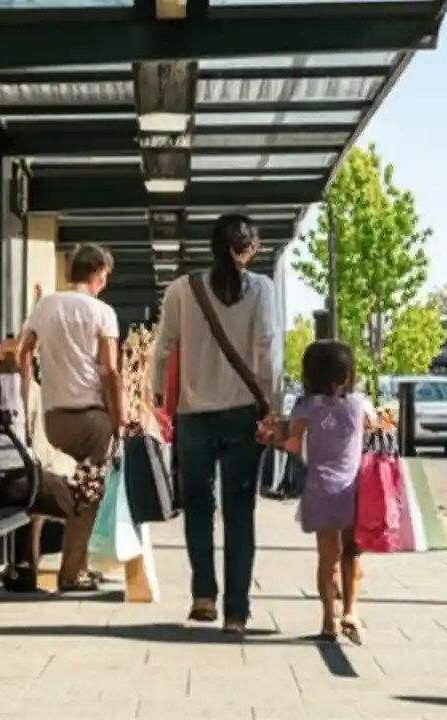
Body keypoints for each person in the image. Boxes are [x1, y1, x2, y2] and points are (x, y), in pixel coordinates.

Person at [149, 214, 281, 634]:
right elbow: (269, 349)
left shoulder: (182, 290)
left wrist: (157, 399)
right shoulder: (261, 289)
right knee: (240, 512)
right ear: (249, 249)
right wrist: (272, 406)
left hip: (193, 415)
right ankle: (237, 613)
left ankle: (203, 596)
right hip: (244, 414)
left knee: (198, 508)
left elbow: (162, 348)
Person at [16, 243, 123, 593]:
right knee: (90, 492)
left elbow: (23, 349)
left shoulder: (45, 306)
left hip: (54, 419)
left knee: (75, 486)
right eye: (104, 277)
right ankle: (72, 570)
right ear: (97, 275)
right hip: (91, 420)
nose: (104, 284)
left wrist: (28, 385)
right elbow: (109, 371)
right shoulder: (102, 312)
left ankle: (50, 562)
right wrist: (119, 418)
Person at [278, 340, 368, 645]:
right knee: (352, 553)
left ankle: (328, 619)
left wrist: (278, 438)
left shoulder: (305, 407)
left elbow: (292, 443)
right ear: (346, 375)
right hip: (352, 489)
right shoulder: (358, 405)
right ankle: (351, 612)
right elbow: (371, 432)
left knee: (326, 559)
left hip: (319, 489)